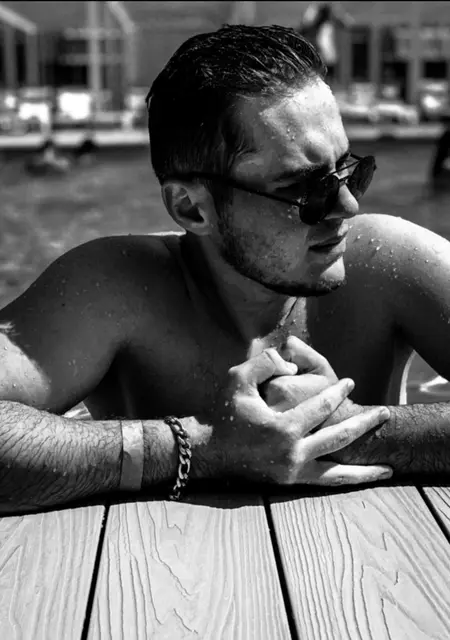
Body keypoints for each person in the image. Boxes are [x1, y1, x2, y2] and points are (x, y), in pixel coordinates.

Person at [1, 25, 450, 515]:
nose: (347, 206)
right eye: (304, 189)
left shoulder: (389, 265)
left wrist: (353, 432)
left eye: (349, 170)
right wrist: (198, 448)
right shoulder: (114, 290)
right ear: (192, 208)